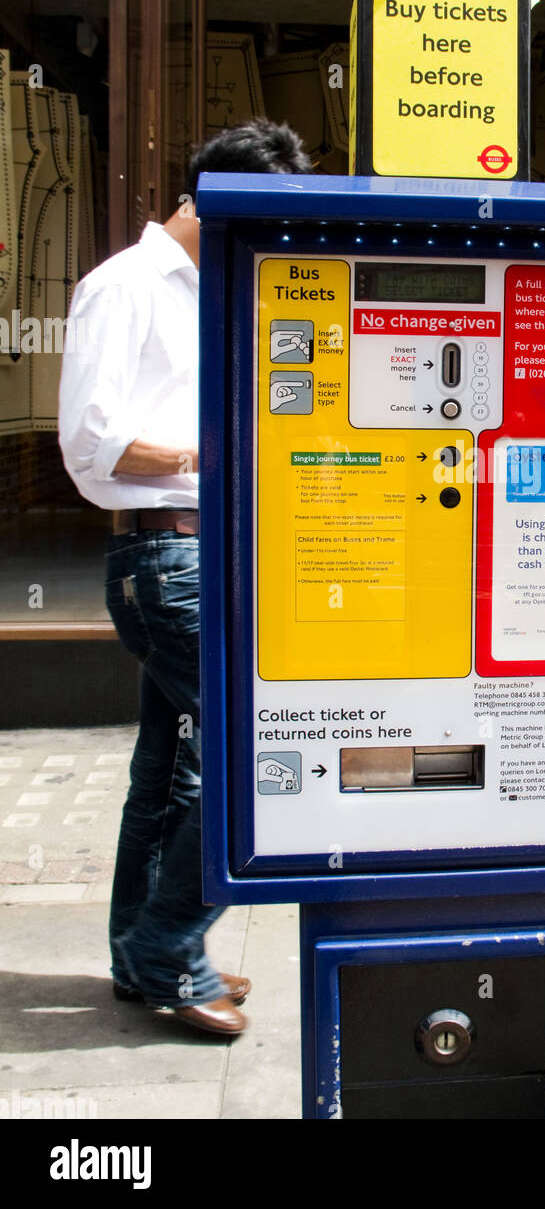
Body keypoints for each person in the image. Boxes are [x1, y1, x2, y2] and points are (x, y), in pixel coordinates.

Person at [59, 120, 313, 1034]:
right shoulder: (123, 287)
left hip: (196, 555)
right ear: (214, 198)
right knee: (251, 756)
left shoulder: (212, 287)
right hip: (164, 556)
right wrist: (216, 461)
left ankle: (139, 955)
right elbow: (90, 447)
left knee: (169, 773)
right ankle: (174, 951)